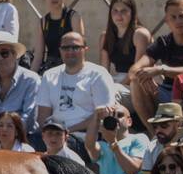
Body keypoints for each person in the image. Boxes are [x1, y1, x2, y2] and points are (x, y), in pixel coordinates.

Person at [35, 30, 123, 164]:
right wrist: (51, 133)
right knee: (30, 141)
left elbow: (102, 115)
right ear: (60, 50)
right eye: (65, 48)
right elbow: (43, 117)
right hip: (54, 134)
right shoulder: (49, 75)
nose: (70, 51)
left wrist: (66, 132)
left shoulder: (98, 74)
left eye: (75, 47)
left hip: (84, 137)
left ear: (85, 49)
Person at [128, 0, 183, 121]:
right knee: (136, 82)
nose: (178, 21)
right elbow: (133, 70)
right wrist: (144, 75)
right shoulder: (163, 42)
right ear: (167, 20)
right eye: (173, 17)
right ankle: (154, 134)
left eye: (182, 16)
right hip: (168, 91)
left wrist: (161, 70)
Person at [30, 0, 82, 74]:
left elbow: (80, 52)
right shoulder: (43, 22)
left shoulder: (74, 18)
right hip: (50, 70)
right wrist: (31, 77)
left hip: (70, 67)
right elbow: (38, 57)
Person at [98, 0, 151, 87]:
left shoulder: (140, 34)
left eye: (124, 11)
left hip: (139, 82)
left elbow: (138, 70)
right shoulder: (105, 36)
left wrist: (118, 87)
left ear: (132, 12)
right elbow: (104, 71)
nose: (119, 15)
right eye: (115, 11)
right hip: (118, 79)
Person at [88, 103, 148, 174]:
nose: (115, 118)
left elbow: (131, 170)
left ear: (129, 121)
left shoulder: (139, 138)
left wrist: (113, 143)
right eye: (111, 116)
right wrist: (96, 115)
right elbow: (89, 145)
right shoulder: (102, 145)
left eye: (119, 115)